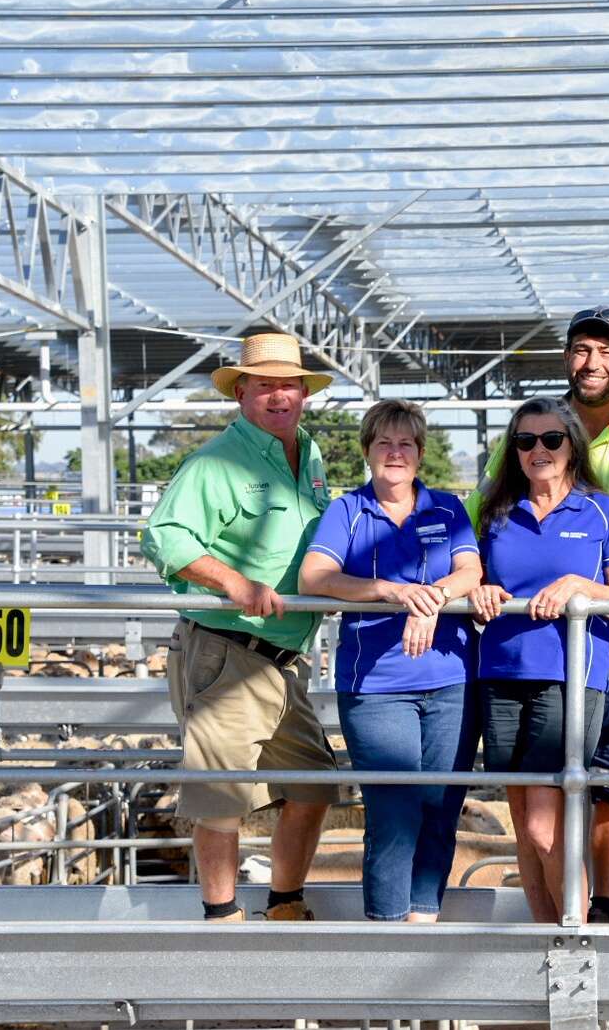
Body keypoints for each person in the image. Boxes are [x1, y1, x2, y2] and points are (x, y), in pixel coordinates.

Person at [469, 306, 609, 924]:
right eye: (580, 350)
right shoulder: (531, 434)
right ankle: (554, 928)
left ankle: (599, 914)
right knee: (534, 804)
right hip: (525, 650)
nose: (591, 363)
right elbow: (477, 516)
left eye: (605, 351)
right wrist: (470, 581)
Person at [141, 332, 341, 923]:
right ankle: (222, 915)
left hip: (285, 657)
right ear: (242, 393)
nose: (280, 396)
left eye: (290, 385)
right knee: (221, 796)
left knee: (312, 785)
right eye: (265, 386)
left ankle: (284, 901)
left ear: (305, 393)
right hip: (229, 648)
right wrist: (234, 582)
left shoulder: (309, 454)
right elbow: (166, 537)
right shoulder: (216, 463)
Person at [298, 400, 483, 923]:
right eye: (384, 443)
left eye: (405, 444)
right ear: (368, 452)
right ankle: (385, 928)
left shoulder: (447, 508)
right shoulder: (348, 511)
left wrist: (432, 596)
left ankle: (423, 917)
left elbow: (470, 570)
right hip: (377, 683)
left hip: (451, 678)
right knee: (394, 809)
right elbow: (314, 578)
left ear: (421, 453)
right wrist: (386, 589)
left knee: (441, 806)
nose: (395, 453)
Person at [469, 397, 609, 923]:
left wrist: (577, 586)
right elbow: (469, 575)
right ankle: (548, 940)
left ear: (572, 445)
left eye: (550, 439)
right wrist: (478, 591)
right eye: (525, 441)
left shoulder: (599, 510)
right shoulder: (496, 513)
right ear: (512, 450)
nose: (537, 450)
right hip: (500, 669)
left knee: (547, 823)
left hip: (567, 675)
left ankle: (574, 939)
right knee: (524, 822)